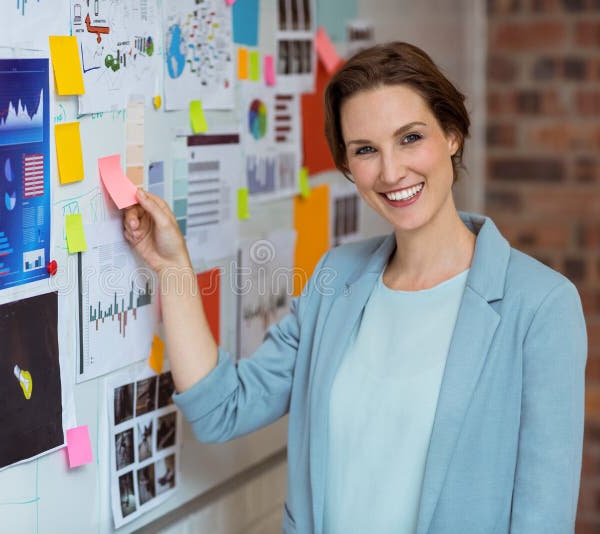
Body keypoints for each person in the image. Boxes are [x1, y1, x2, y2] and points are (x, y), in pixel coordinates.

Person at [122, 42, 588, 533]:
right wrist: (173, 267)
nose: (390, 171)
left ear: (452, 135)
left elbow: (543, 519)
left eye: (410, 138)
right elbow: (222, 409)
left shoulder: (540, 307)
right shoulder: (335, 282)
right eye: (365, 149)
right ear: (348, 165)